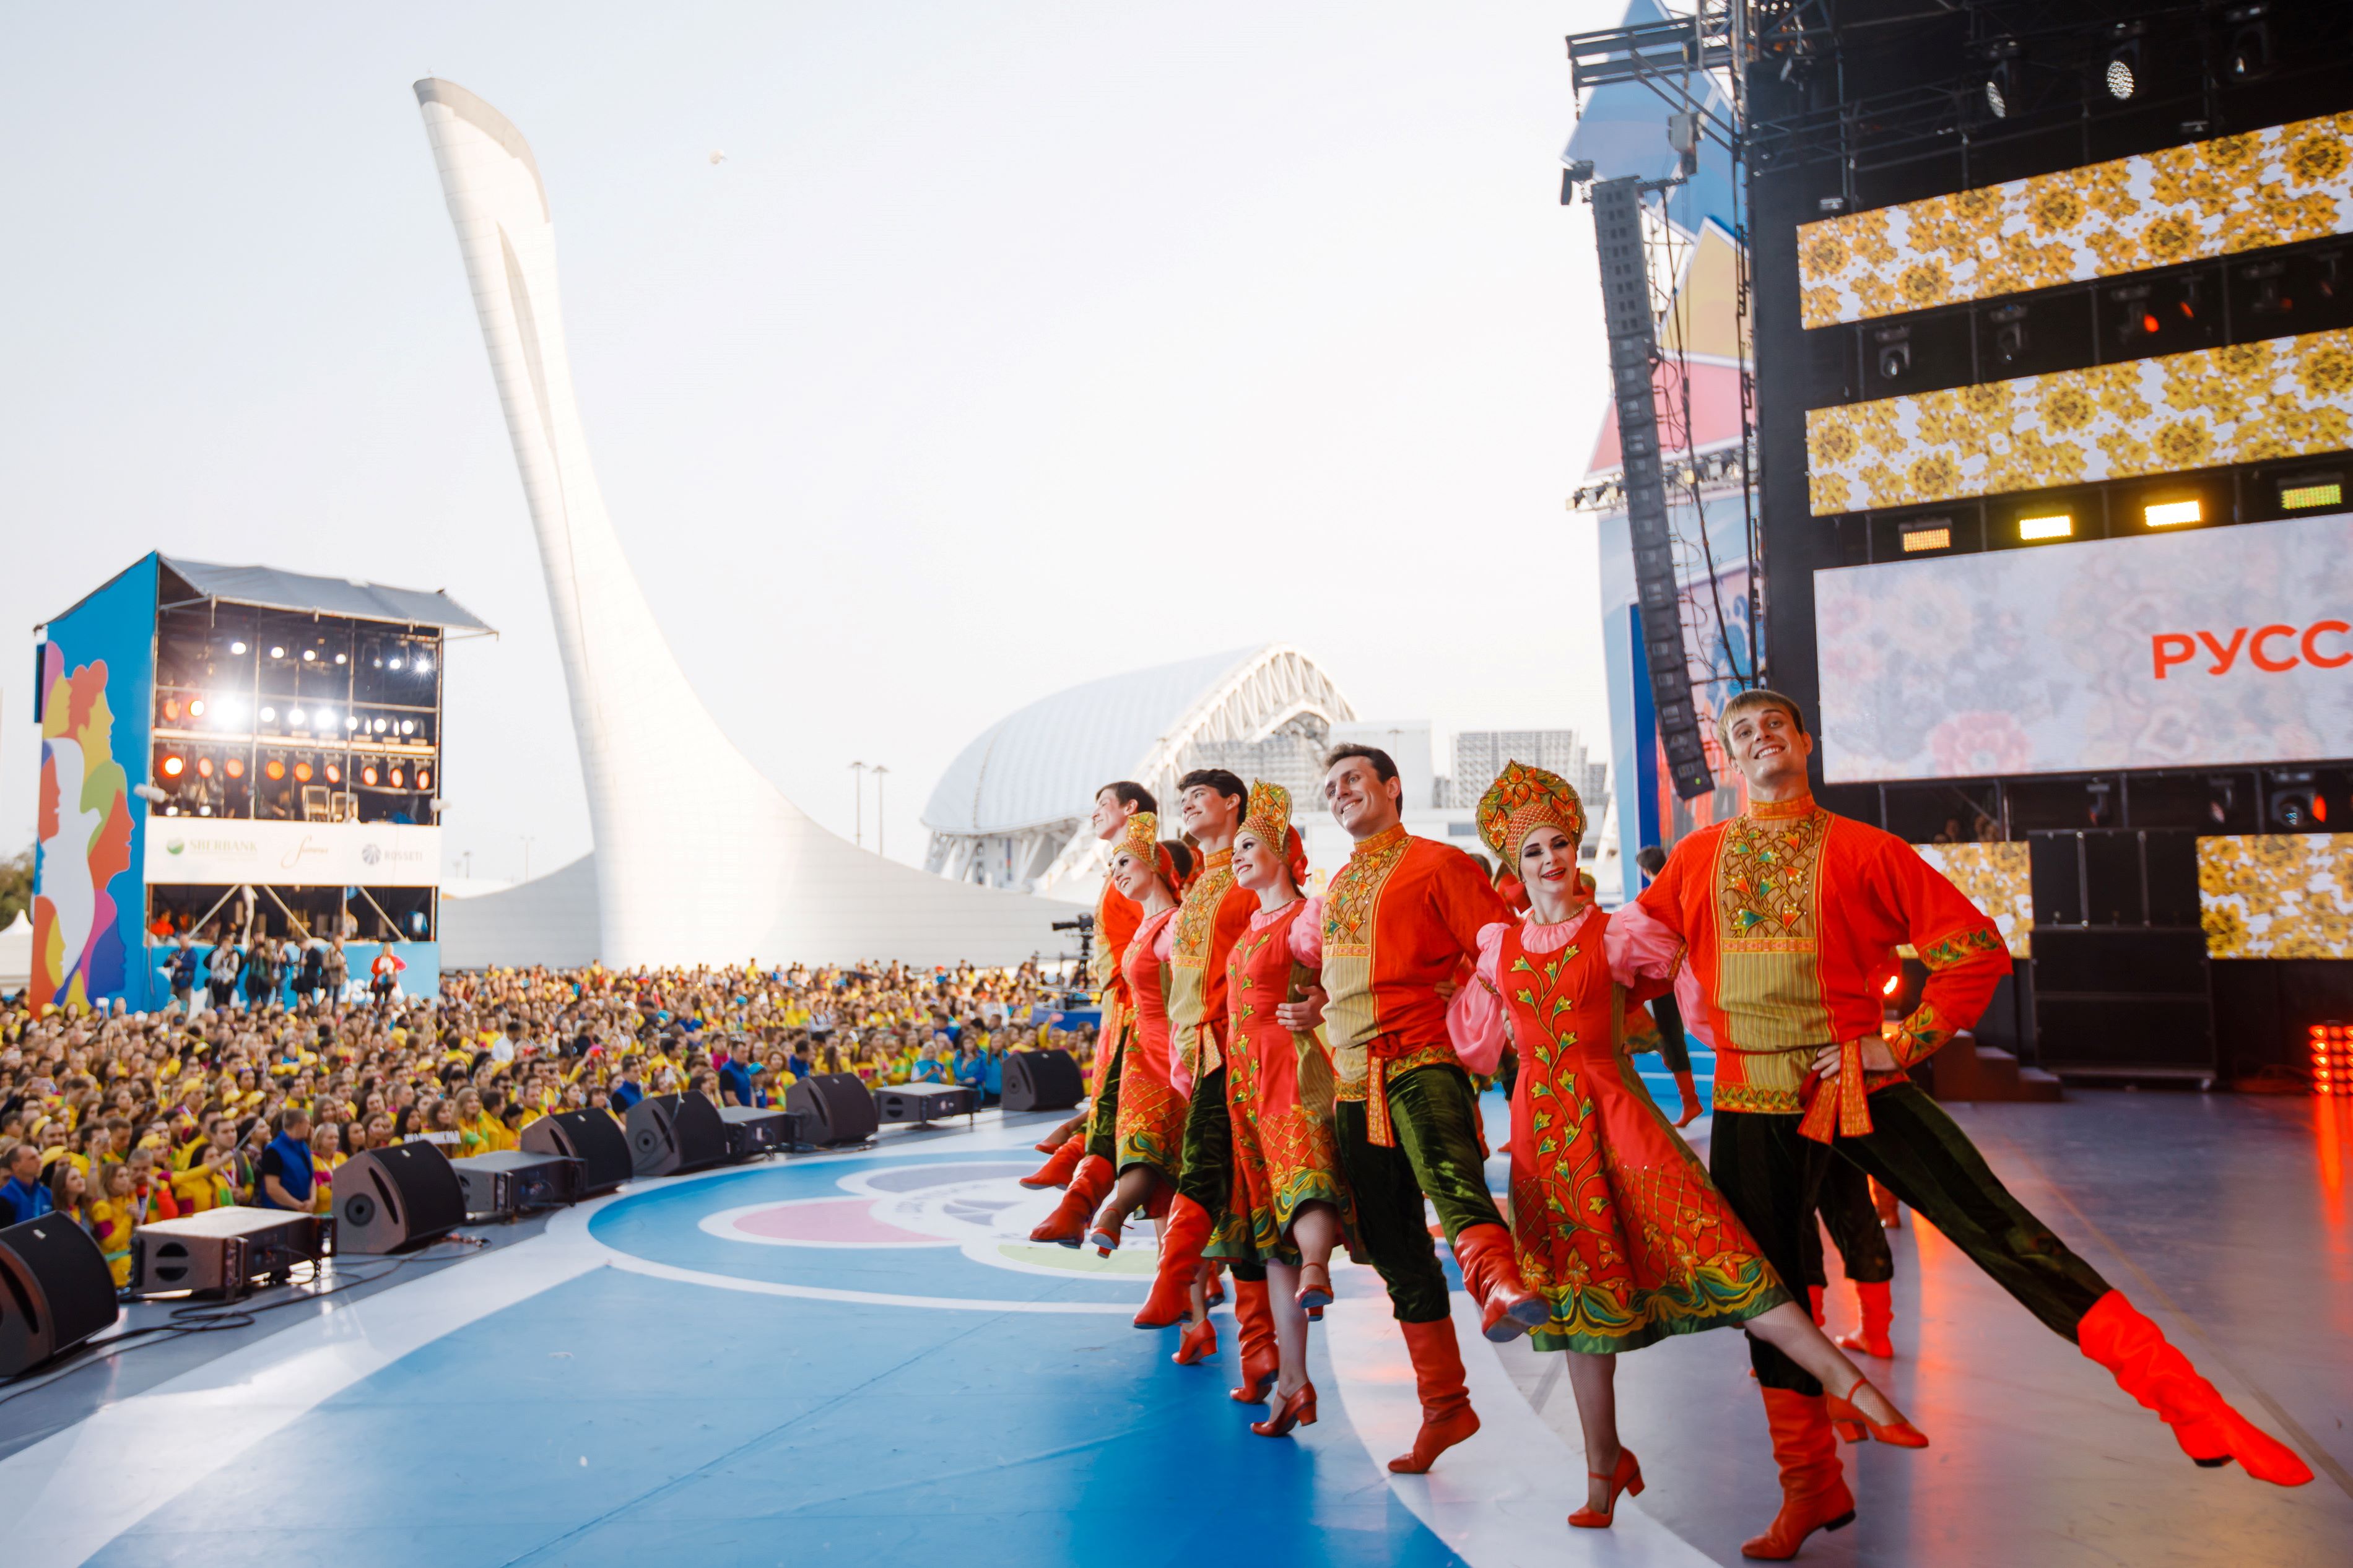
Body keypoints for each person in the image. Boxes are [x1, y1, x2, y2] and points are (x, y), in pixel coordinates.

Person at [1617, 690, 2311, 1559]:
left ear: (1805, 742)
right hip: (1747, 1098)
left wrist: (1899, 1043)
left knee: (2001, 1229)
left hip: (1855, 1082)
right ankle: (1810, 1484)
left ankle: (2190, 1404)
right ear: (1728, 757)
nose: (1760, 738)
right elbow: (1629, 962)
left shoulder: (1867, 849)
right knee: (1773, 1296)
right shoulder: (1696, 857)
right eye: (1741, 731)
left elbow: (1972, 950)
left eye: (1774, 726)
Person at [1457, 762, 1921, 1530]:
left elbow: (1694, 986)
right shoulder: (1495, 947)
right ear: (1515, 866)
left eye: (1560, 843)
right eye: (1533, 850)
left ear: (1577, 850)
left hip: (1618, 1120)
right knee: (1576, 1305)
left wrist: (1761, 1034)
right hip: (1544, 1139)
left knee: (1729, 1260)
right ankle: (1602, 1469)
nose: (1549, 859)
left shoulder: (1617, 933)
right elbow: (1473, 1045)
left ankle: (1855, 1389)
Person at [1309, 743, 1543, 1476]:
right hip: (1352, 1083)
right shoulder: (1338, 882)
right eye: (1330, 786)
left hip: (1419, 1057)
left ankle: (1498, 1285)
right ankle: (1445, 1406)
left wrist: (1465, 989)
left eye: (1352, 778)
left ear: (1392, 786)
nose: (1339, 792)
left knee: (1451, 1181)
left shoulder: (1439, 863)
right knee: (1392, 1247)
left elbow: (1500, 951)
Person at [1136, 768, 1279, 1396]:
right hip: (1197, 1054)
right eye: (1184, 798)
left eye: (1200, 795)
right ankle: (1260, 1354)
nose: (1188, 804)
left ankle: (1174, 1279)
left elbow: (1288, 939)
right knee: (1238, 1204)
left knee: (1204, 1169)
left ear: (1233, 803)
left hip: (1241, 1050)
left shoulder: (1248, 879)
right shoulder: (1197, 888)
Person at [1216, 781, 1347, 1439]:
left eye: (1250, 846)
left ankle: (1318, 1266)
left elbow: (1349, 974)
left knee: (1307, 1178)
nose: (1239, 856)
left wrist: (1321, 1002)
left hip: (1293, 1073)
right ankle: (1293, 1383)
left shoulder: (1307, 917)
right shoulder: (1246, 931)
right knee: (1271, 1237)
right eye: (1236, 848)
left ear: (1283, 853)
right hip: (1246, 1087)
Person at [1033, 819, 1187, 1274]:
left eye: (1124, 862)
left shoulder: (1177, 924)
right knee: (1141, 1142)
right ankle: (1104, 1209)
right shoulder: (1145, 924)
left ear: (1156, 864)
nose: (1115, 872)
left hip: (1171, 1047)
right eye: (1112, 865)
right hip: (1139, 1044)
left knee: (1165, 1155)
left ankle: (1096, 1198)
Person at [1024, 781, 1154, 1189]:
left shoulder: (1143, 866)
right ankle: (1077, 1152)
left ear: (1130, 808)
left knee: (1131, 1098)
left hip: (1139, 999)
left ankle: (1076, 1152)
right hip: (1119, 998)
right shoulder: (1119, 868)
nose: (1095, 812)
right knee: (1115, 1091)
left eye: (1103, 803)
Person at [256, 1108, 315, 1212]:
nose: (310, 1127)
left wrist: (312, 1200)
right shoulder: (273, 1151)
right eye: (308, 1124)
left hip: (304, 1210)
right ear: (299, 1125)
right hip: (281, 1212)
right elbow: (272, 1188)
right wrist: (298, 1206)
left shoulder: (303, 1146)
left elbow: (311, 1177)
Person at [1, 1140, 54, 1223]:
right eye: (32, 1158)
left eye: (39, 1156)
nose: (39, 1160)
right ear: (16, 1165)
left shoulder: (46, 1192)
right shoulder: (5, 1197)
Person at [161, 933, 199, 1013]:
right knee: (172, 1001)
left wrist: (182, 964)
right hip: (175, 981)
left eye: (185, 940)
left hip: (186, 982)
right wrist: (169, 960)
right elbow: (165, 965)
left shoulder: (192, 953)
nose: (183, 942)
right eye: (182, 940)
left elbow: (193, 965)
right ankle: (170, 1016)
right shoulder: (176, 952)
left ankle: (183, 1018)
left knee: (184, 1003)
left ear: (188, 941)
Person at [206, 935, 242, 1012]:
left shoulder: (234, 954)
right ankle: (218, 1013)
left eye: (228, 944)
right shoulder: (217, 953)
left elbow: (235, 969)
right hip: (218, 980)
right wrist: (221, 959)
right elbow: (213, 967)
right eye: (224, 943)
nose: (226, 946)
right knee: (218, 1001)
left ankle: (227, 1013)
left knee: (227, 1001)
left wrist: (231, 961)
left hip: (229, 980)